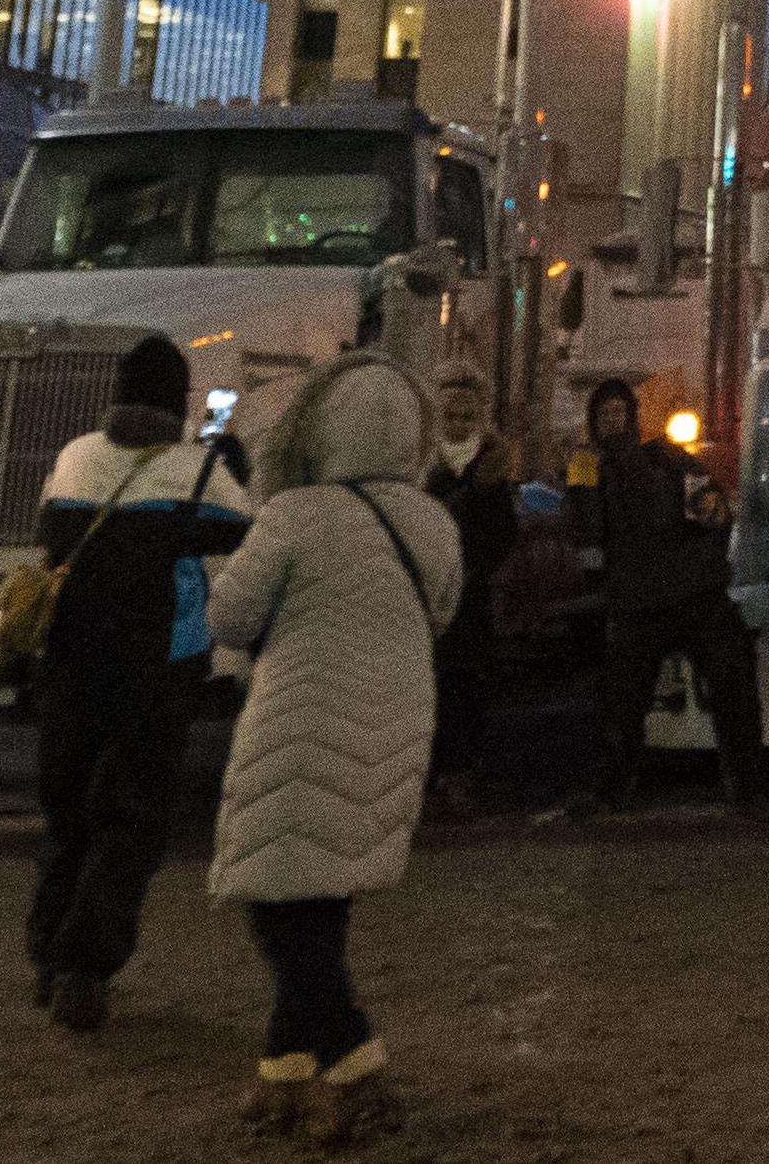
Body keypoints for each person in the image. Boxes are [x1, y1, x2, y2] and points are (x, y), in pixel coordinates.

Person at [205, 353, 461, 1143]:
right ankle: (281, 1077)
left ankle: (356, 1071)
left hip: (300, 720)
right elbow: (441, 614)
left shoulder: (296, 513)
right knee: (318, 907)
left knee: (282, 913)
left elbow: (229, 620)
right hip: (396, 717)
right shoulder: (433, 520)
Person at [25, 333, 252, 1032]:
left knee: (68, 814)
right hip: (158, 667)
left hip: (67, 664)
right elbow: (243, 527)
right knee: (131, 818)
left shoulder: (73, 457)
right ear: (177, 399)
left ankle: (47, 954)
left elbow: (49, 530)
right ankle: (86, 964)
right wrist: (223, 457)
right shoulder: (193, 468)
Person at [564, 375, 768, 810]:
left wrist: (713, 530)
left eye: (620, 412)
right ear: (594, 424)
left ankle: (747, 789)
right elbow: (583, 533)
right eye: (605, 415)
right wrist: (582, 478)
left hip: (693, 594)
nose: (614, 421)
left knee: (733, 683)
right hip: (637, 603)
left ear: (634, 417)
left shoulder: (666, 457)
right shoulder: (589, 468)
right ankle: (612, 790)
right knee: (621, 703)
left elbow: (710, 505)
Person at [421, 361, 519, 815]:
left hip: (471, 595)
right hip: (427, 594)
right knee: (430, 686)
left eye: (466, 417)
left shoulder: (491, 470)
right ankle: (431, 774)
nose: (458, 424)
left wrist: (474, 569)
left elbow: (502, 534)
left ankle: (458, 775)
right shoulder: (426, 469)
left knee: (467, 685)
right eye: (451, 416)